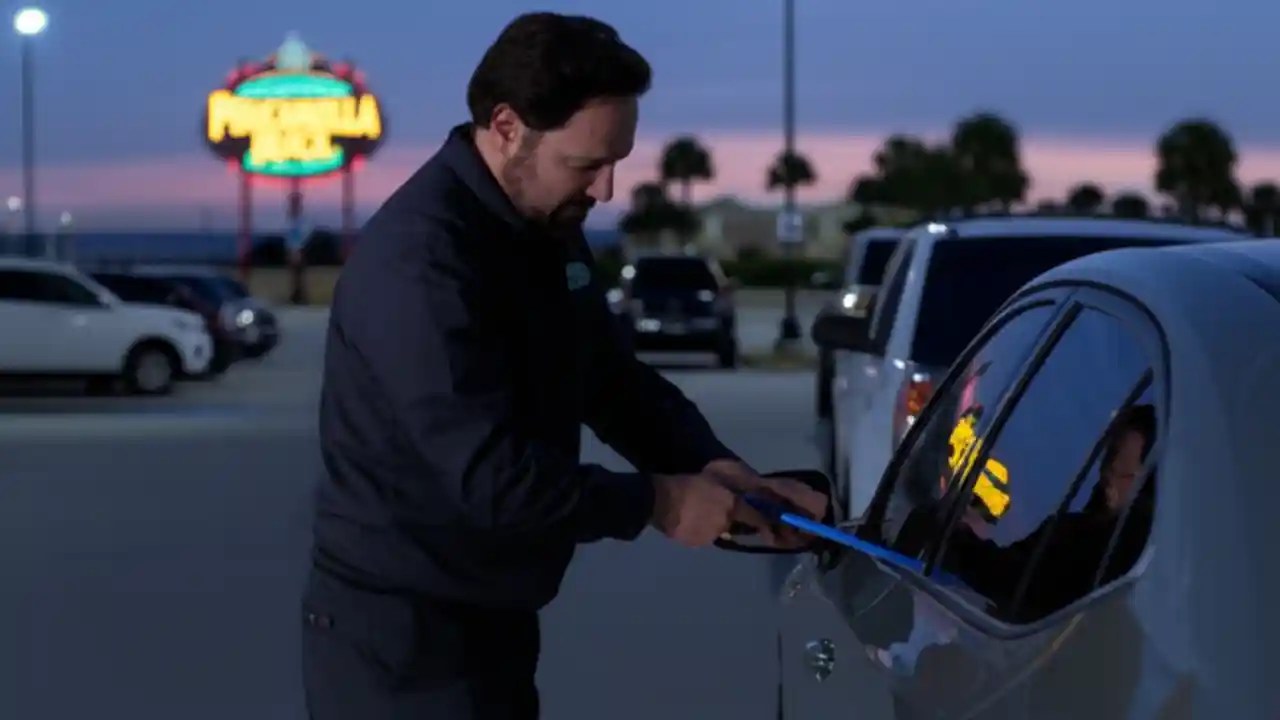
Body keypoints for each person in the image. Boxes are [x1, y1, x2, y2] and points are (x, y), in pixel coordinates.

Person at [300, 11, 829, 720]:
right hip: (402, 643)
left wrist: (717, 468)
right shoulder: (422, 263)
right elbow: (489, 480)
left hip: (493, 620)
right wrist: (661, 503)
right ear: (507, 126)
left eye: (616, 162)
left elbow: (610, 380)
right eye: (586, 165)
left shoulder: (546, 224)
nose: (606, 191)